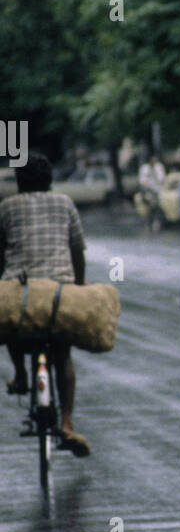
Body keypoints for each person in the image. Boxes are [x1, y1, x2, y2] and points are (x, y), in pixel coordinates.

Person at [0, 152, 90, 455]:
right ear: (50, 180)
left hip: (21, 291)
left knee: (10, 318)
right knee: (62, 356)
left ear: (19, 182)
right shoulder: (65, 203)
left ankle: (22, 374)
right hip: (58, 293)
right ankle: (66, 423)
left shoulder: (6, 207)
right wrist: (79, 284)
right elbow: (77, 249)